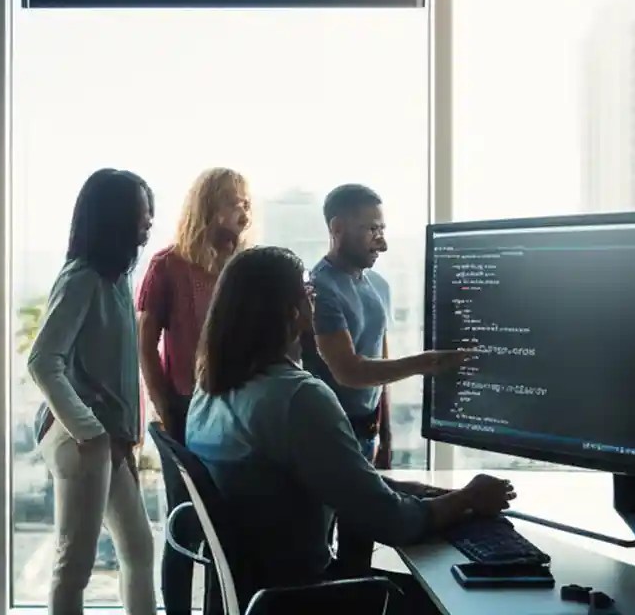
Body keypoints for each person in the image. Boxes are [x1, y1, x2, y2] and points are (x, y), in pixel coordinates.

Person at [185, 246, 515, 607]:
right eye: (308, 292)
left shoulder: (210, 389)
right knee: (464, 600)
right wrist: (468, 498)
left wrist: (411, 491)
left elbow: (312, 478)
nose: (314, 299)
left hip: (256, 596)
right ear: (294, 312)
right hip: (306, 599)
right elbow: (393, 523)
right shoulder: (297, 398)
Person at [301, 184, 471, 574]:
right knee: (318, 551)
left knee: (360, 548)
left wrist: (386, 435)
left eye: (383, 229)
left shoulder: (379, 285)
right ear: (338, 228)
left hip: (367, 433)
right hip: (329, 438)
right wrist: (428, 363)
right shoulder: (319, 290)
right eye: (372, 230)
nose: (383, 242)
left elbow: (381, 360)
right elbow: (349, 370)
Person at [29, 168, 157, 615]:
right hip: (81, 440)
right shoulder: (82, 278)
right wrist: (91, 432)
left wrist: (121, 437)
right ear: (115, 217)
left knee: (139, 550)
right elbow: (42, 361)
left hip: (106, 441)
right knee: (74, 565)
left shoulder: (115, 279)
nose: (149, 220)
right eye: (141, 211)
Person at [137, 167, 251, 615]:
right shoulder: (167, 265)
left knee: (232, 527)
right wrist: (165, 407)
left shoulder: (245, 266)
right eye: (232, 202)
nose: (243, 212)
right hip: (185, 408)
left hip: (238, 411)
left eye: (246, 203)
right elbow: (145, 344)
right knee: (184, 523)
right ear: (208, 206)